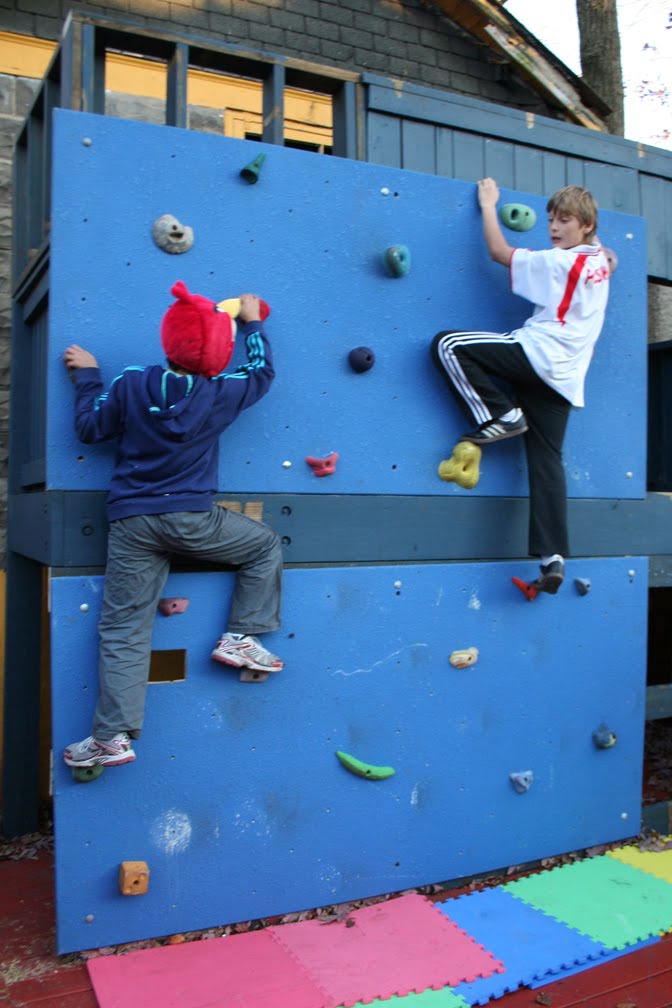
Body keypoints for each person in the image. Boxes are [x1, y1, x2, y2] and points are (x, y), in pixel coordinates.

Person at [62, 281, 284, 768]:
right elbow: (260, 373)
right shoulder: (224, 393)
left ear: (169, 340)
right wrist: (253, 324)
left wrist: (89, 377)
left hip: (132, 522)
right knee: (264, 545)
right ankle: (241, 636)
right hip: (193, 519)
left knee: (123, 629)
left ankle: (110, 738)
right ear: (219, 355)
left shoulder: (133, 382)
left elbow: (90, 428)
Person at [431, 179, 613, 595]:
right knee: (547, 462)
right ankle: (553, 558)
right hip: (566, 379)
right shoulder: (598, 259)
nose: (553, 227)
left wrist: (488, 205)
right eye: (551, 219)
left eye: (563, 220)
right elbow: (607, 255)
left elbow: (498, 252)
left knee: (448, 345)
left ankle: (501, 415)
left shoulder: (559, 262)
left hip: (538, 354)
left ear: (584, 225)